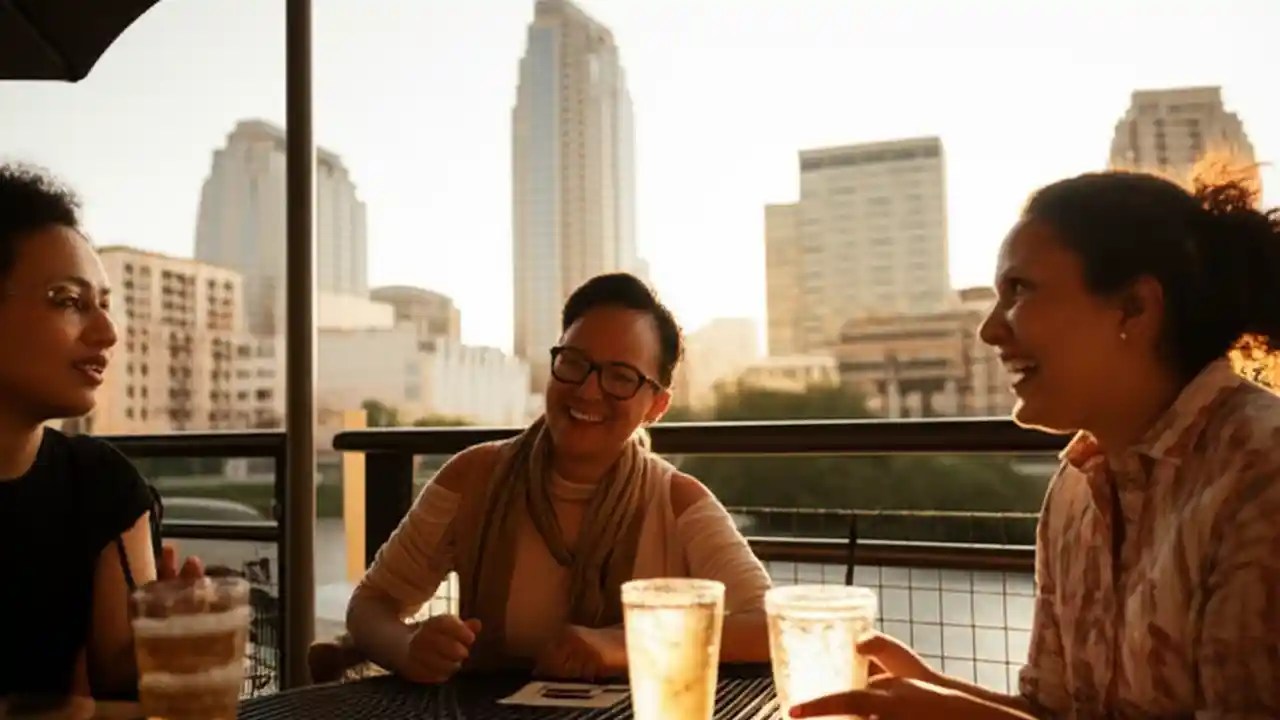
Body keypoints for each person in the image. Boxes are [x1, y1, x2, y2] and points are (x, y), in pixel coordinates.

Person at [793, 170, 1280, 719]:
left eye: (1020, 290)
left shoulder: (1261, 471)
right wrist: (930, 691)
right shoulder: (1076, 487)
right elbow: (1050, 712)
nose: (989, 331)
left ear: (1135, 309)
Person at [343, 272, 771, 683]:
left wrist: (621, 645)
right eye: (574, 362)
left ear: (657, 405)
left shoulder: (677, 502)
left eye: (620, 377)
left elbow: (773, 625)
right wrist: (408, 647)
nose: (587, 391)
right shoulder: (473, 478)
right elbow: (371, 605)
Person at [0, 164, 202, 701]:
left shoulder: (101, 483)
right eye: (68, 301)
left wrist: (168, 637)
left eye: (105, 306)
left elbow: (119, 679)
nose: (107, 333)